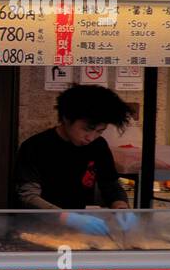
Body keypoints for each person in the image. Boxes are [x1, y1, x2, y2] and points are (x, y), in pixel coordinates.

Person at [14, 84, 135, 236]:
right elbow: (27, 197)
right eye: (86, 129)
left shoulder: (98, 145)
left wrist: (121, 208)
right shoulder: (36, 146)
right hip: (37, 230)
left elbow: (110, 184)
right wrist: (67, 218)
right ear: (66, 118)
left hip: (78, 231)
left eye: (99, 131)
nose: (91, 138)